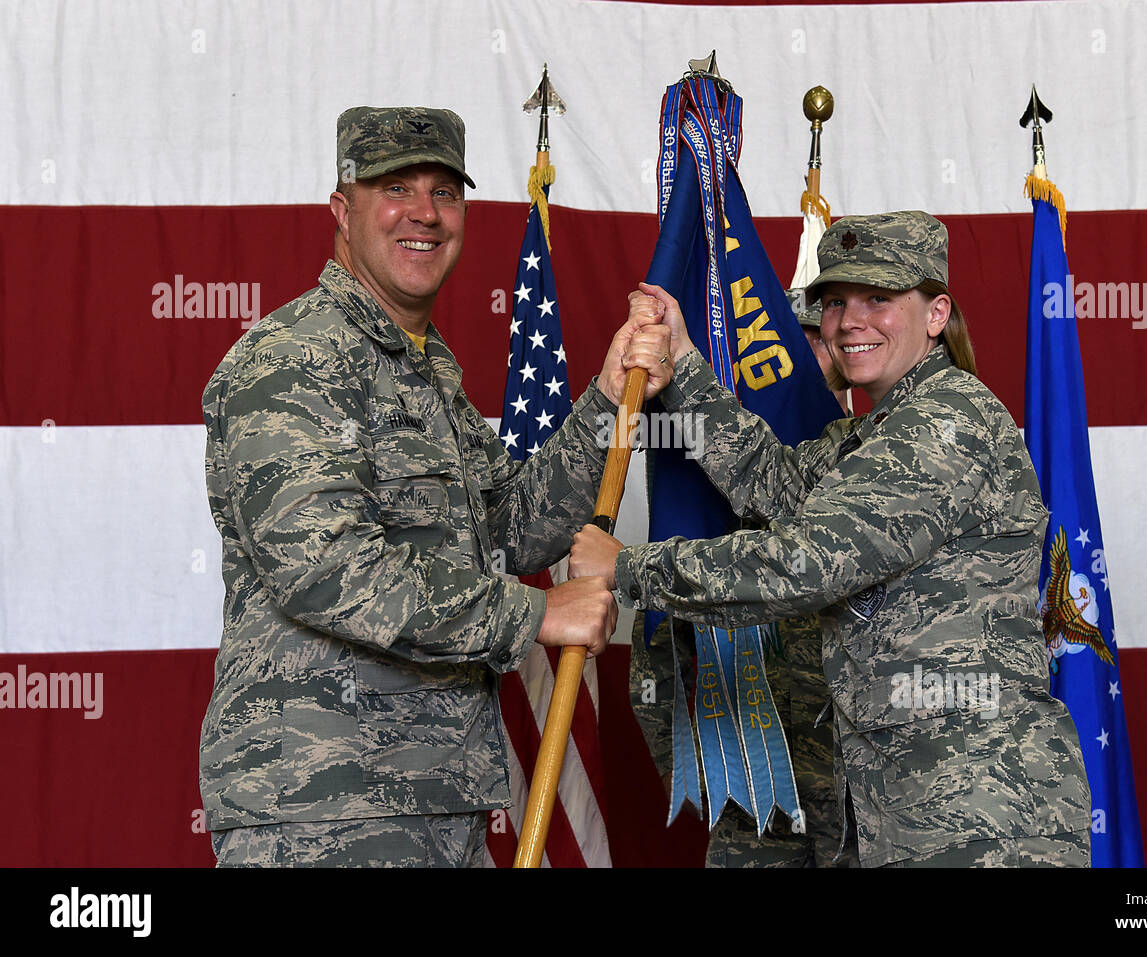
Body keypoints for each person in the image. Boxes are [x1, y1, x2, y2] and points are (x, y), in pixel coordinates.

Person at [199, 106, 673, 867]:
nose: (424, 212)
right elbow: (329, 570)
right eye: (396, 187)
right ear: (341, 209)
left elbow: (512, 526)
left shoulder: (425, 368)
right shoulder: (291, 361)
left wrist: (607, 398)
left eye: (445, 192)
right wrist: (536, 611)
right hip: (324, 809)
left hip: (435, 800)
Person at [573, 211, 1093, 867]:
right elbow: (773, 483)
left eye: (880, 299)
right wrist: (683, 359)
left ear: (936, 314)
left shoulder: (946, 420)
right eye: (837, 301)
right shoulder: (873, 434)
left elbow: (805, 561)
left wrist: (630, 568)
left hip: (982, 811)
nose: (851, 321)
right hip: (907, 804)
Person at [627, 298, 852, 868]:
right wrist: (711, 767)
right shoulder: (713, 500)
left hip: (867, 805)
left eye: (816, 345)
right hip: (754, 803)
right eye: (791, 346)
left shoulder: (874, 457)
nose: (803, 361)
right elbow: (661, 656)